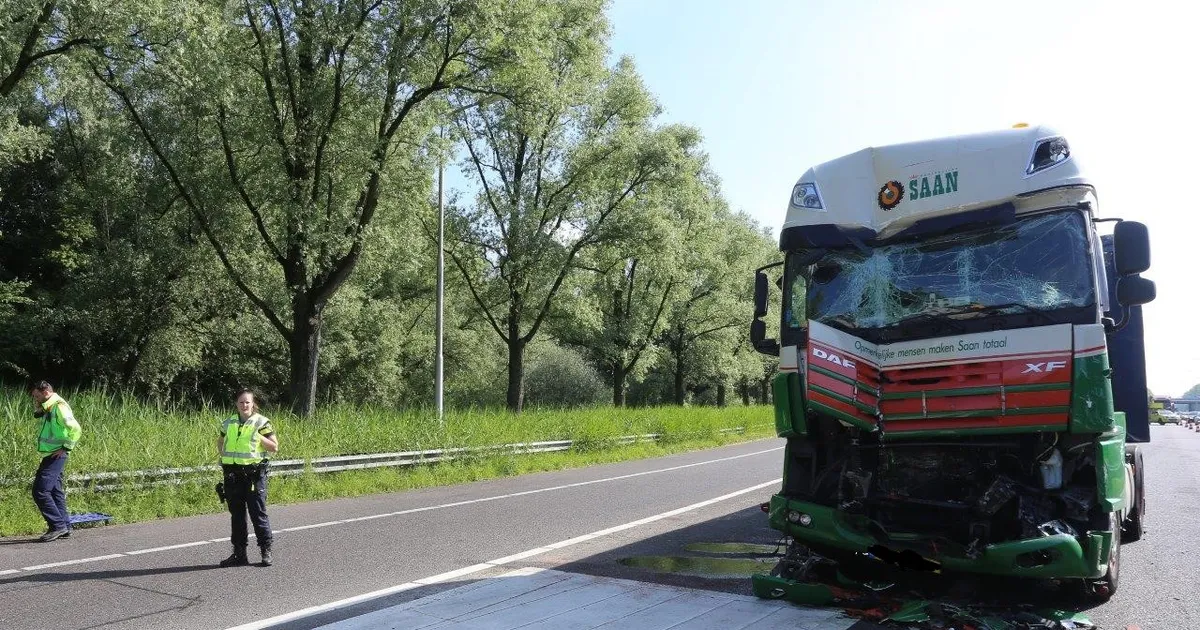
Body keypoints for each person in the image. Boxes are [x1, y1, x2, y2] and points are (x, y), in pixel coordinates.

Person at [217, 388, 279, 567]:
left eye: (247, 402)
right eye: (241, 402)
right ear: (236, 404)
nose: (244, 405)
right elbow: (220, 441)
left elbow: (274, 447)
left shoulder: (262, 422)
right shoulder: (228, 423)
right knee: (236, 516)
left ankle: (265, 551)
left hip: (253, 476)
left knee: (257, 514)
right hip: (232, 475)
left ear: (253, 404)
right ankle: (239, 554)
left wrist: (258, 437)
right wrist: (223, 456)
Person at [30, 381, 82, 542]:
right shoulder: (50, 406)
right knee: (54, 491)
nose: (35, 399)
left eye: (36, 395)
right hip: (52, 454)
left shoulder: (59, 406)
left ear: (45, 391)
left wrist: (66, 447)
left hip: (56, 455)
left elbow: (76, 428)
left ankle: (57, 526)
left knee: (40, 491)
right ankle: (65, 527)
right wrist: (40, 407)